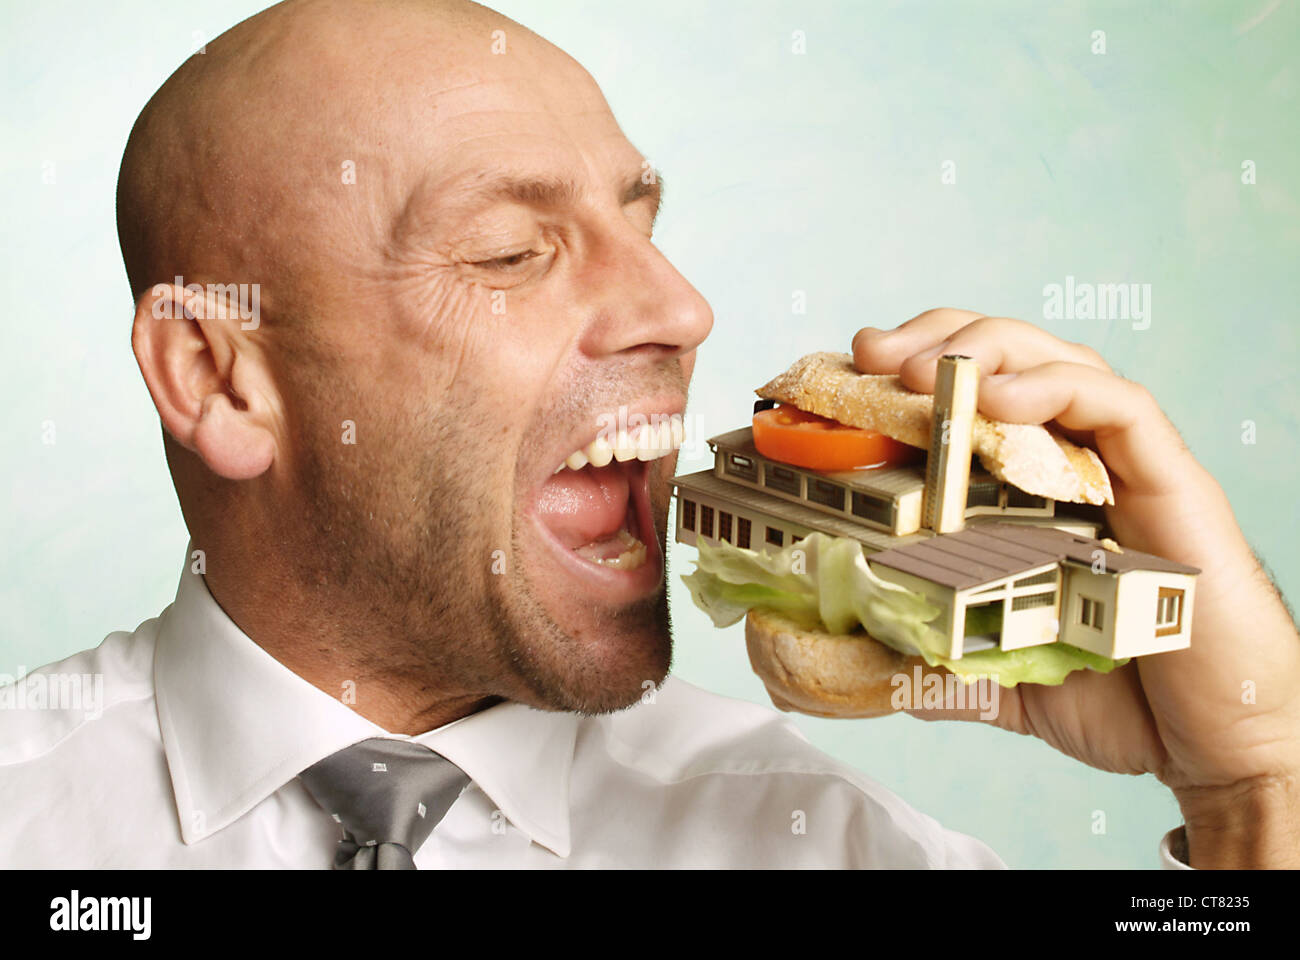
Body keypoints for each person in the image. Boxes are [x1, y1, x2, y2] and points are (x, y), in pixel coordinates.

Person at [2, 0, 1296, 869]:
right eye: (512, 250)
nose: (682, 310)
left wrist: (1253, 789)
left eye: (644, 222)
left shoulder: (824, 845)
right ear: (221, 377)